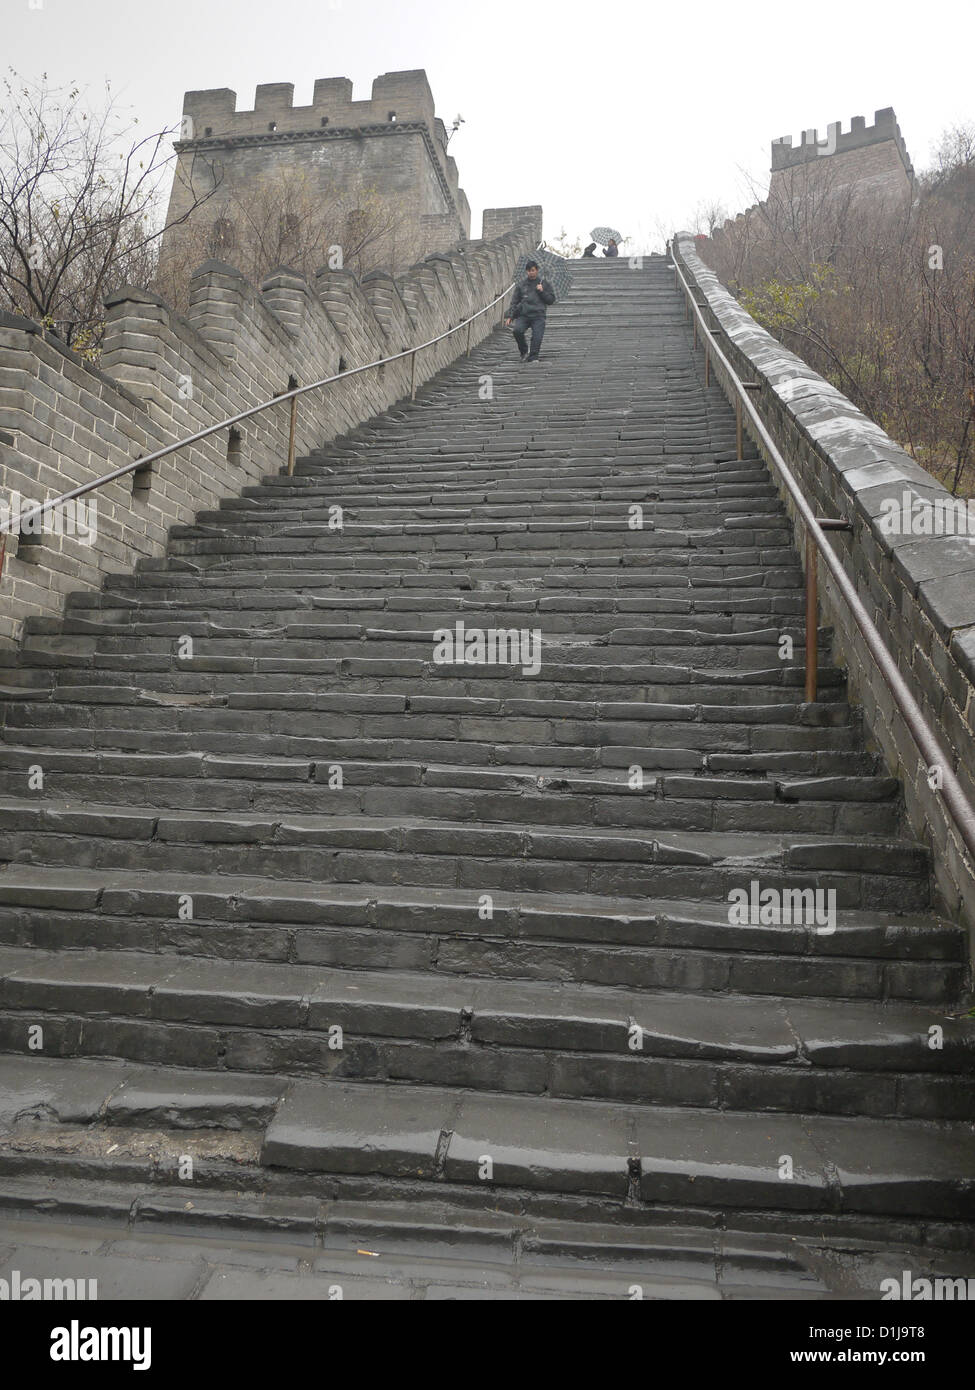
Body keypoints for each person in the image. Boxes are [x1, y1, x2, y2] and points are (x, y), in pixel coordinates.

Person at [504, 260, 556, 362]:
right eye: (528, 271)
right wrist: (511, 316)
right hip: (524, 315)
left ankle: (533, 356)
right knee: (517, 331)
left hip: (538, 315)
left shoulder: (544, 284)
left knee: (537, 336)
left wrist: (542, 291)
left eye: (532, 270)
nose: (530, 273)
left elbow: (550, 300)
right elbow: (514, 301)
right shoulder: (522, 285)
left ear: (537, 270)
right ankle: (524, 352)